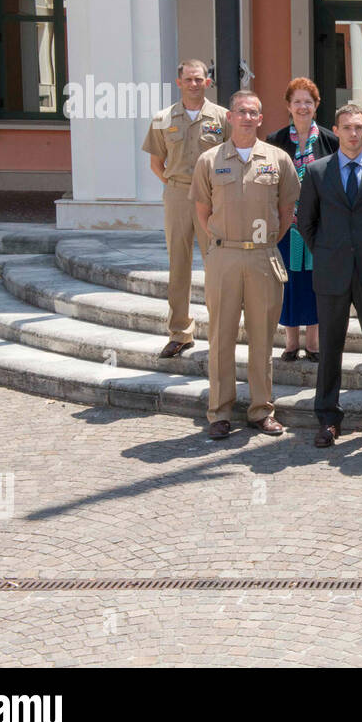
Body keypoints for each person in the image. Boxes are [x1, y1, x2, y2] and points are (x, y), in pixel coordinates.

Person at [189, 90, 298, 439]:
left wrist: (264, 241)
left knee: (262, 338)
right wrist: (225, 241)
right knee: (221, 336)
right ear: (229, 117)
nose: (248, 118)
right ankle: (219, 412)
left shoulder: (278, 159)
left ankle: (261, 410)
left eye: (254, 112)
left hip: (263, 256)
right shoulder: (209, 159)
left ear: (261, 119)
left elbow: (286, 212)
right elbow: (202, 212)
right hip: (224, 256)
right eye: (241, 112)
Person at [298, 104, 362, 449]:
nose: (353, 133)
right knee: (330, 349)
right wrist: (327, 252)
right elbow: (305, 222)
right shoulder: (316, 171)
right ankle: (328, 419)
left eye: (359, 127)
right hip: (331, 274)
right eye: (347, 127)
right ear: (335, 130)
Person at [141, 59, 230, 359]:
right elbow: (156, 163)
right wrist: (176, 183)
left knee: (216, 263)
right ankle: (180, 333)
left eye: (199, 79)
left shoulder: (223, 117)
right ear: (179, 83)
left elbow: (233, 156)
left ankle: (220, 330)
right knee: (178, 264)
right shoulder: (163, 119)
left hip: (213, 196)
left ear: (208, 82)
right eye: (188, 79)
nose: (194, 83)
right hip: (178, 194)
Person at [266, 77, 339, 363]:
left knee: (314, 283)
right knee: (289, 282)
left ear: (316, 106)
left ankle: (314, 343)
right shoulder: (275, 140)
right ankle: (290, 343)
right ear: (288, 105)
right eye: (297, 101)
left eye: (308, 101)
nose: (302, 106)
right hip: (286, 225)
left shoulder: (330, 141)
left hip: (318, 228)